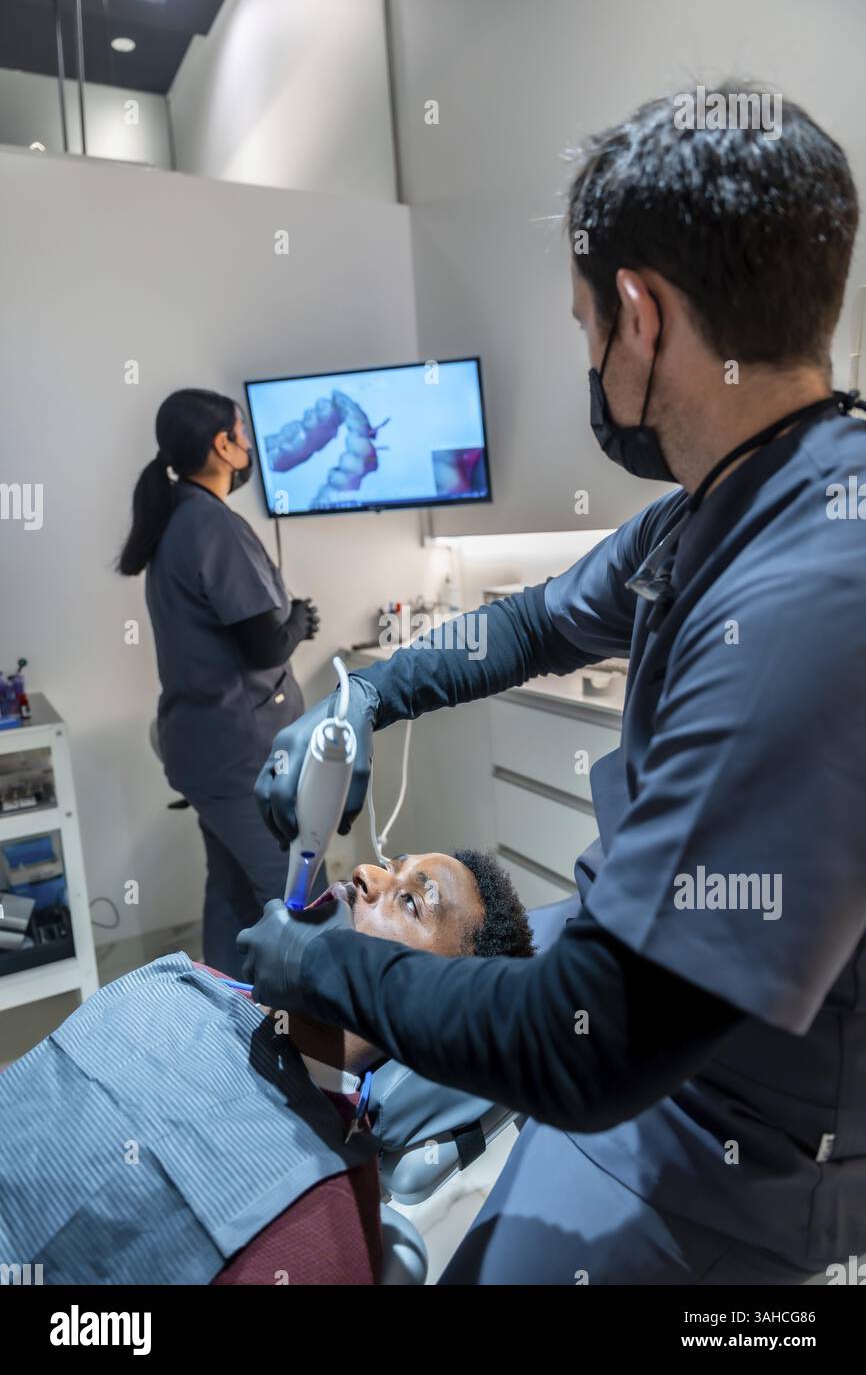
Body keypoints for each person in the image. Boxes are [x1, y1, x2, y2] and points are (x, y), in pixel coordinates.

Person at [242, 83, 866, 1284]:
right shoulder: (727, 501)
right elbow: (530, 622)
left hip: (726, 1137)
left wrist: (316, 963)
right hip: (654, 1029)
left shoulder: (809, 602)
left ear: (638, 313)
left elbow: (589, 1046)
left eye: (581, 325)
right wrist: (364, 698)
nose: (588, 355)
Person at [0, 849, 532, 1286]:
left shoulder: (318, 1226)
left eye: (410, 902)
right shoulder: (181, 977)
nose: (365, 875)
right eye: (389, 865)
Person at [117, 389, 320, 975]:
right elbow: (263, 646)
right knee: (297, 896)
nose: (251, 444)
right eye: (243, 433)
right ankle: (325, 1048)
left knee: (231, 891)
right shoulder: (212, 525)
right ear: (222, 447)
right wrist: (300, 621)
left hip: (204, 750)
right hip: (241, 756)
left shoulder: (179, 517)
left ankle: (226, 1028)